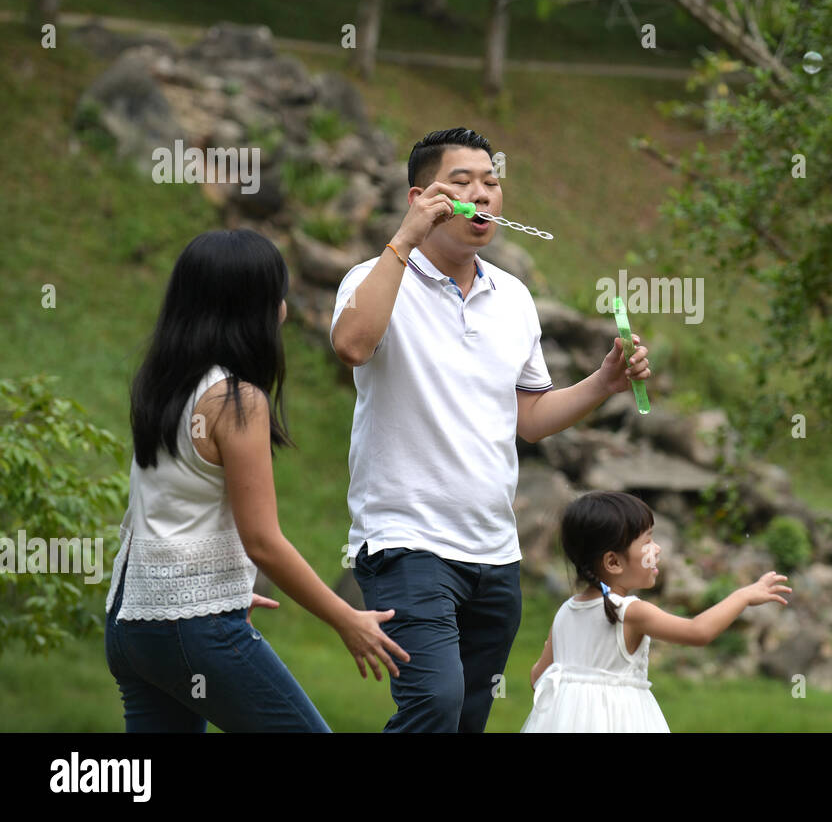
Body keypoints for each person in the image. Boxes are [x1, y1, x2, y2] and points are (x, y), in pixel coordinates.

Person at [330, 127, 652, 733]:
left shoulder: (514, 299)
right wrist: (404, 239)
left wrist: (603, 383)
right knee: (434, 701)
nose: (482, 194)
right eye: (462, 183)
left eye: (492, 183)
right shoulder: (372, 279)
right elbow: (351, 345)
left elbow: (529, 418)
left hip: (493, 553)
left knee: (469, 716)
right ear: (422, 196)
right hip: (406, 541)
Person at [105, 229, 408, 733]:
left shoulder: (163, 384)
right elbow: (264, 542)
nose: (285, 309)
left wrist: (219, 583)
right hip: (191, 629)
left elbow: (167, 505)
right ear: (257, 307)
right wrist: (345, 618)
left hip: (132, 621)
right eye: (279, 295)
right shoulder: (236, 400)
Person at [521, 491, 791, 732]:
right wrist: (742, 596)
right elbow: (698, 632)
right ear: (613, 562)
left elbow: (538, 678)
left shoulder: (565, 612)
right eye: (647, 542)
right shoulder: (631, 611)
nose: (657, 549)